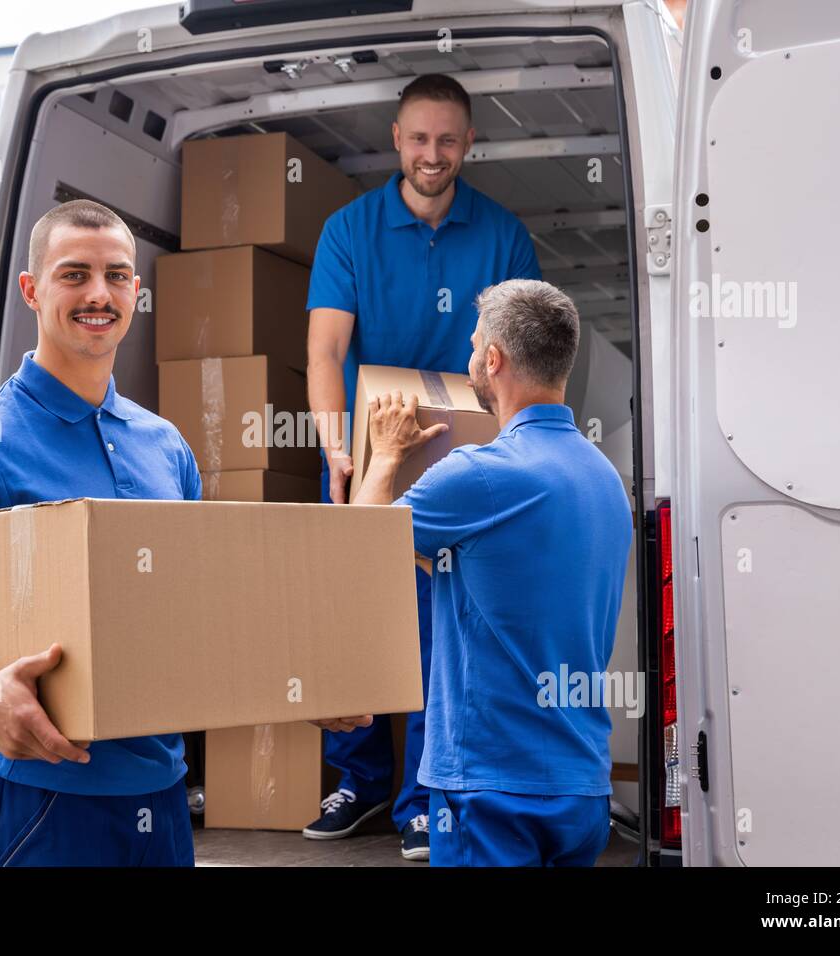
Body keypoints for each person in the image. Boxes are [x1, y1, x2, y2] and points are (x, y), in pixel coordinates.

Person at [0, 200, 205, 866]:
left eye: (117, 275)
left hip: (161, 799)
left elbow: (195, 610)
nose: (99, 294)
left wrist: (302, 688)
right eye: (74, 274)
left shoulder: (166, 446)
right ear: (31, 289)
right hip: (36, 805)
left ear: (137, 290)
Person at [304, 72, 541, 860]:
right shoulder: (350, 229)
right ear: (395, 141)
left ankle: (422, 798)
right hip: (367, 445)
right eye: (417, 138)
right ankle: (360, 781)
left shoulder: (503, 234)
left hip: (460, 453)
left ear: (468, 143)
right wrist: (334, 444)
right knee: (349, 613)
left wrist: (510, 448)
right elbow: (327, 347)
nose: (430, 154)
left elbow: (520, 354)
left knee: (442, 626)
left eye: (446, 140)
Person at [353, 279, 632, 867]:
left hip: (493, 789)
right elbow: (487, 568)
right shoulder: (604, 478)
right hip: (580, 788)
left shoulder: (480, 474)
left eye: (475, 344)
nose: (469, 357)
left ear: (494, 359)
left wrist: (384, 454)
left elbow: (357, 551)